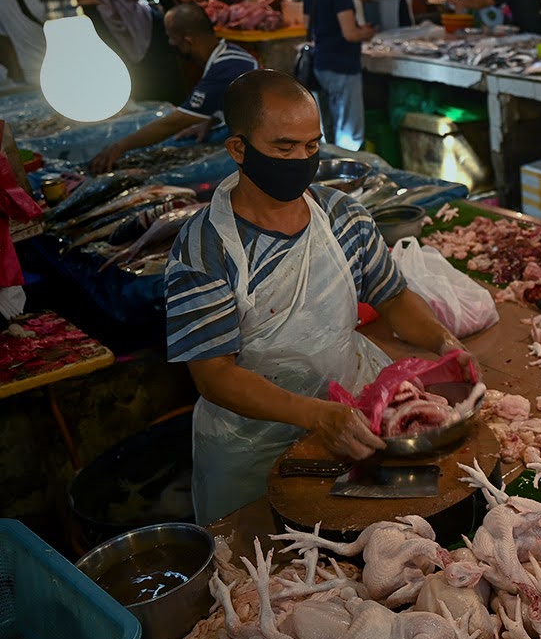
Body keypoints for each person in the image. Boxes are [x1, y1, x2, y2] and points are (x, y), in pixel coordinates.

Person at [164, 69, 478, 523]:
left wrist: (444, 343)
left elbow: (393, 298)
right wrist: (315, 415)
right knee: (263, 551)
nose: (301, 160)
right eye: (284, 148)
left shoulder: (344, 215)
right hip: (251, 443)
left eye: (312, 146)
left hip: (356, 413)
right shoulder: (204, 248)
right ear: (238, 149)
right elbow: (213, 374)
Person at [90, 3, 259, 173]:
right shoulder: (229, 55)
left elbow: (173, 123)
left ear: (187, 41)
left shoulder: (226, 69)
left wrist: (120, 146)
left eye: (171, 38)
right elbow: (230, 101)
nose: (170, 43)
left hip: (255, 148)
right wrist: (211, 119)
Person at [304, 0, 375, 151]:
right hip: (342, 64)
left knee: (328, 127)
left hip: (321, 63)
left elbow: (308, 24)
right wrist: (367, 32)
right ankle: (348, 169)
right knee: (349, 131)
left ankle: (331, 165)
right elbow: (350, 33)